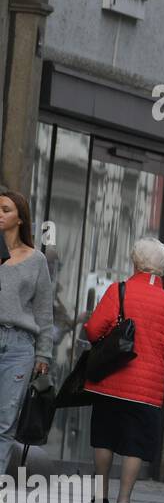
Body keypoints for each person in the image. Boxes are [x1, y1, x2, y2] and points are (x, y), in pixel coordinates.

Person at [85, 237, 164, 503]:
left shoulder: (118, 291)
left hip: (110, 381)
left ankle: (100, 495)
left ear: (135, 261)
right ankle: (124, 501)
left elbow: (93, 330)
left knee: (104, 438)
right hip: (147, 390)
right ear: (163, 268)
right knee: (135, 444)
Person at [0, 189, 55, 475]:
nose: (0, 213)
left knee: (6, 420)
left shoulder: (36, 261)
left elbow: (44, 312)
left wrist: (43, 353)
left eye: (5, 209)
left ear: (20, 218)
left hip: (20, 346)